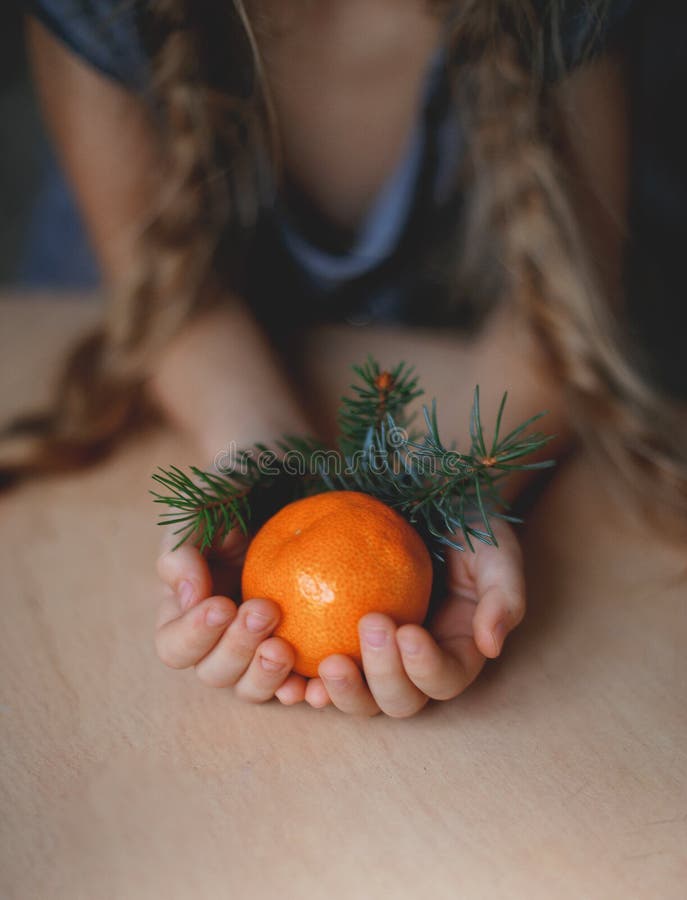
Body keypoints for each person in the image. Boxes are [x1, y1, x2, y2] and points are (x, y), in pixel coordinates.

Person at [7, 0, 684, 716]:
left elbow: (558, 316)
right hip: (130, 316)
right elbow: (172, 302)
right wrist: (254, 449)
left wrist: (450, 487)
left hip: (441, 341)